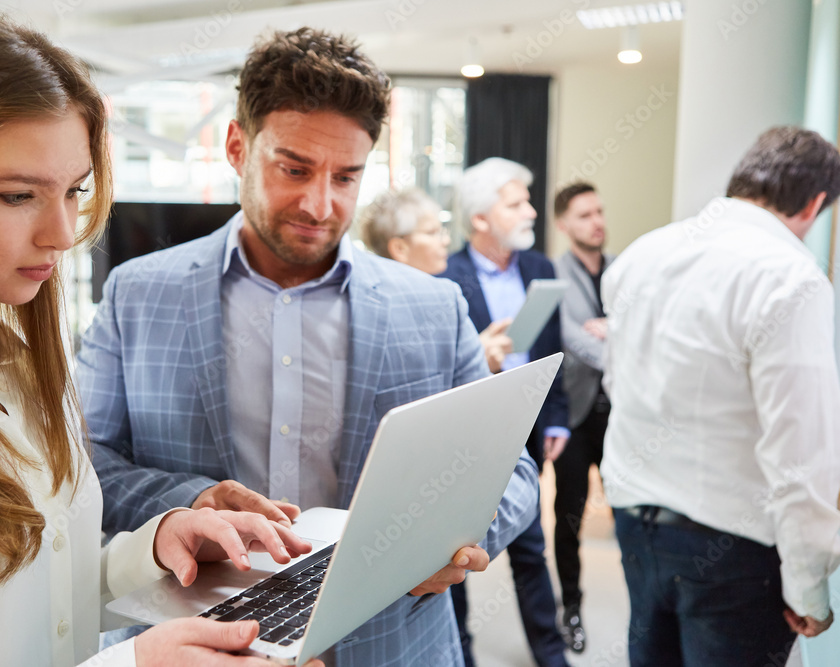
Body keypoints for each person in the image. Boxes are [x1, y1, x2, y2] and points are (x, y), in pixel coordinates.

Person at [0, 7, 323, 667]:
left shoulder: (22, 368)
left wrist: (156, 546)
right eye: (17, 196)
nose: (64, 234)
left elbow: (36, 599)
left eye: (75, 191)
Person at [76, 27, 542, 666]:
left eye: (346, 177)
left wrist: (453, 541)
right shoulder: (138, 294)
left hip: (391, 644)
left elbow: (511, 469)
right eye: (294, 169)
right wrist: (191, 502)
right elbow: (85, 462)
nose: (320, 204)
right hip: (197, 644)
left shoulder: (433, 306)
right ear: (238, 146)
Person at [601, 126, 840, 666]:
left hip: (636, 522)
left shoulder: (643, 253)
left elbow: (621, 386)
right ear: (817, 202)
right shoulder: (790, 278)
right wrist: (809, 586)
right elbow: (801, 452)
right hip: (733, 548)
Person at [439, 157, 571, 667]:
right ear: (480, 218)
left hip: (530, 435)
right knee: (453, 555)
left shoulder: (541, 268)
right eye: (515, 203)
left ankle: (551, 655)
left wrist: (556, 416)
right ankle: (462, 657)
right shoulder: (443, 280)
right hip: (468, 442)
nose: (530, 212)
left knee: (531, 548)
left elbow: (554, 351)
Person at [550, 181, 614, 653]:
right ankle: (570, 605)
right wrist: (618, 340)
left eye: (599, 212)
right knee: (568, 517)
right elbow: (574, 340)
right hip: (572, 417)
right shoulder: (553, 276)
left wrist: (618, 330)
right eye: (585, 214)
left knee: (631, 511)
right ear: (564, 224)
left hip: (619, 416)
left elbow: (646, 327)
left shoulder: (624, 270)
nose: (597, 221)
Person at [359, 187, 514, 369]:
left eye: (442, 231)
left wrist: (474, 352)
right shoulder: (383, 311)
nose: (445, 241)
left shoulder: (444, 293)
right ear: (400, 248)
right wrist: (474, 360)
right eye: (432, 232)